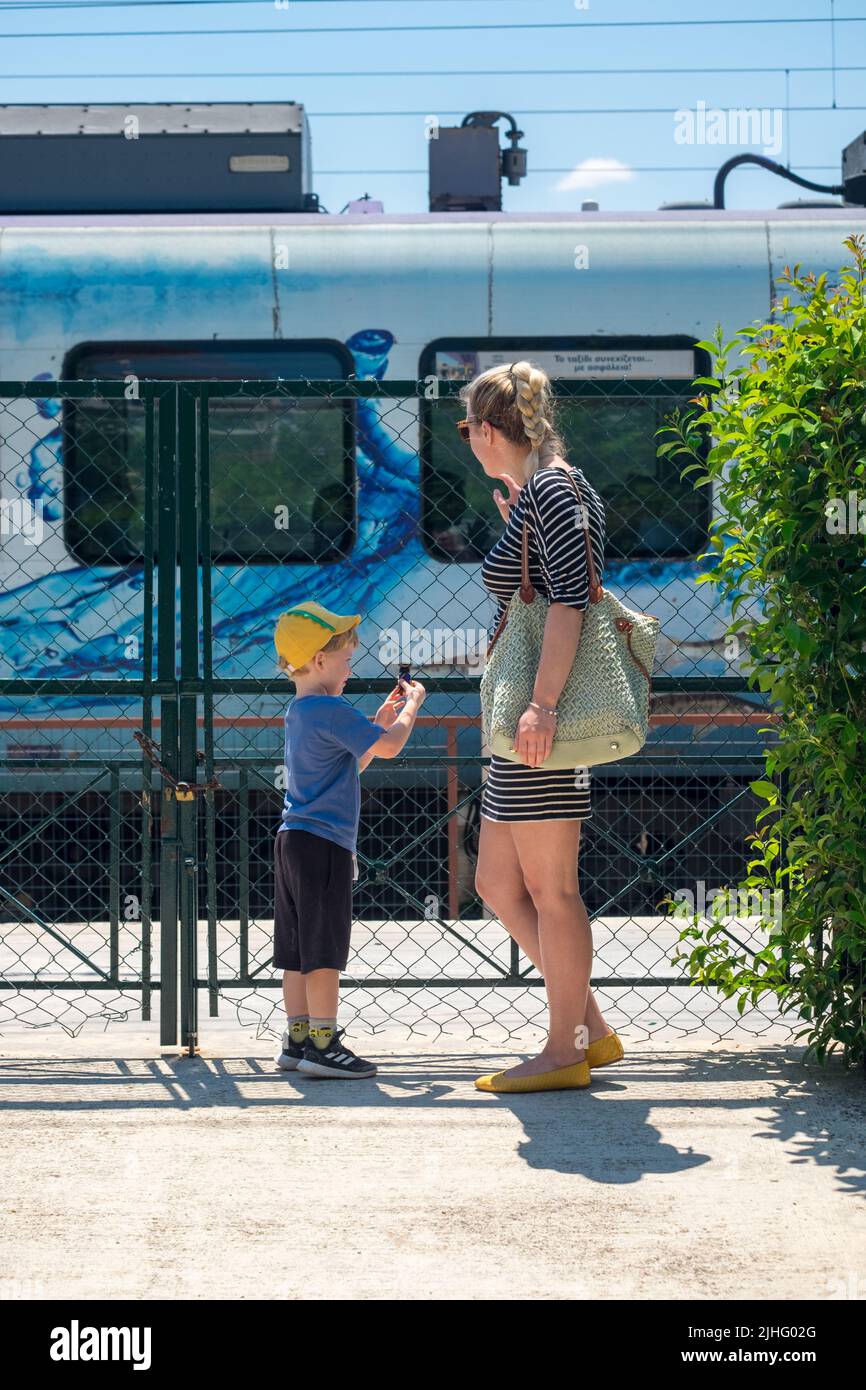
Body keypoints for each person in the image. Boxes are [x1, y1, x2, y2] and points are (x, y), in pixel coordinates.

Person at [459, 360, 624, 1093]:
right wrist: (518, 517)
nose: (466, 439)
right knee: (496, 880)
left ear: (489, 430)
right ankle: (590, 1023)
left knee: (551, 888)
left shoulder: (554, 489)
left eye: (467, 427)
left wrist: (544, 706)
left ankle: (565, 1050)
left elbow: (568, 602)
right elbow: (550, 575)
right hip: (519, 719)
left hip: (537, 720)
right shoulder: (545, 490)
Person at [271, 600, 426, 1079]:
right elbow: (392, 747)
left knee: (296, 948)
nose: (350, 667)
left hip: (292, 839)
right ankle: (324, 1043)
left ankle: (297, 1038)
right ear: (320, 661)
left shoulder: (300, 711)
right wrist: (411, 708)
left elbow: (352, 762)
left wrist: (377, 723)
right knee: (324, 947)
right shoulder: (332, 708)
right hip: (325, 845)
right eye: (345, 659)